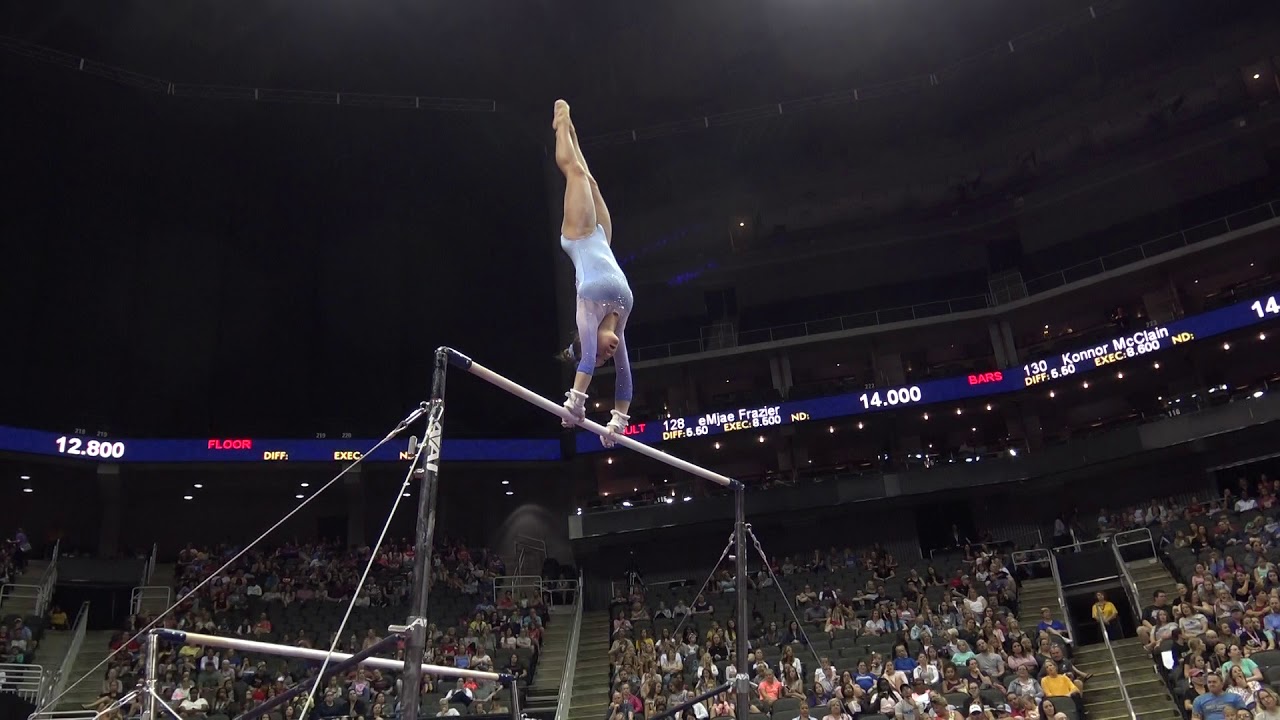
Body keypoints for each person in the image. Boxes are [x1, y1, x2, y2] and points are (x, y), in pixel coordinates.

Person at [552, 99, 633, 445]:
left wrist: (575, 403)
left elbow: (584, 358)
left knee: (576, 173)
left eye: (599, 353)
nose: (605, 355)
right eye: (605, 359)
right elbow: (626, 377)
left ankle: (559, 123)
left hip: (581, 237)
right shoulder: (621, 324)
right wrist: (618, 422)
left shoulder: (588, 312)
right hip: (603, 239)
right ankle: (572, 132)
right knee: (592, 183)